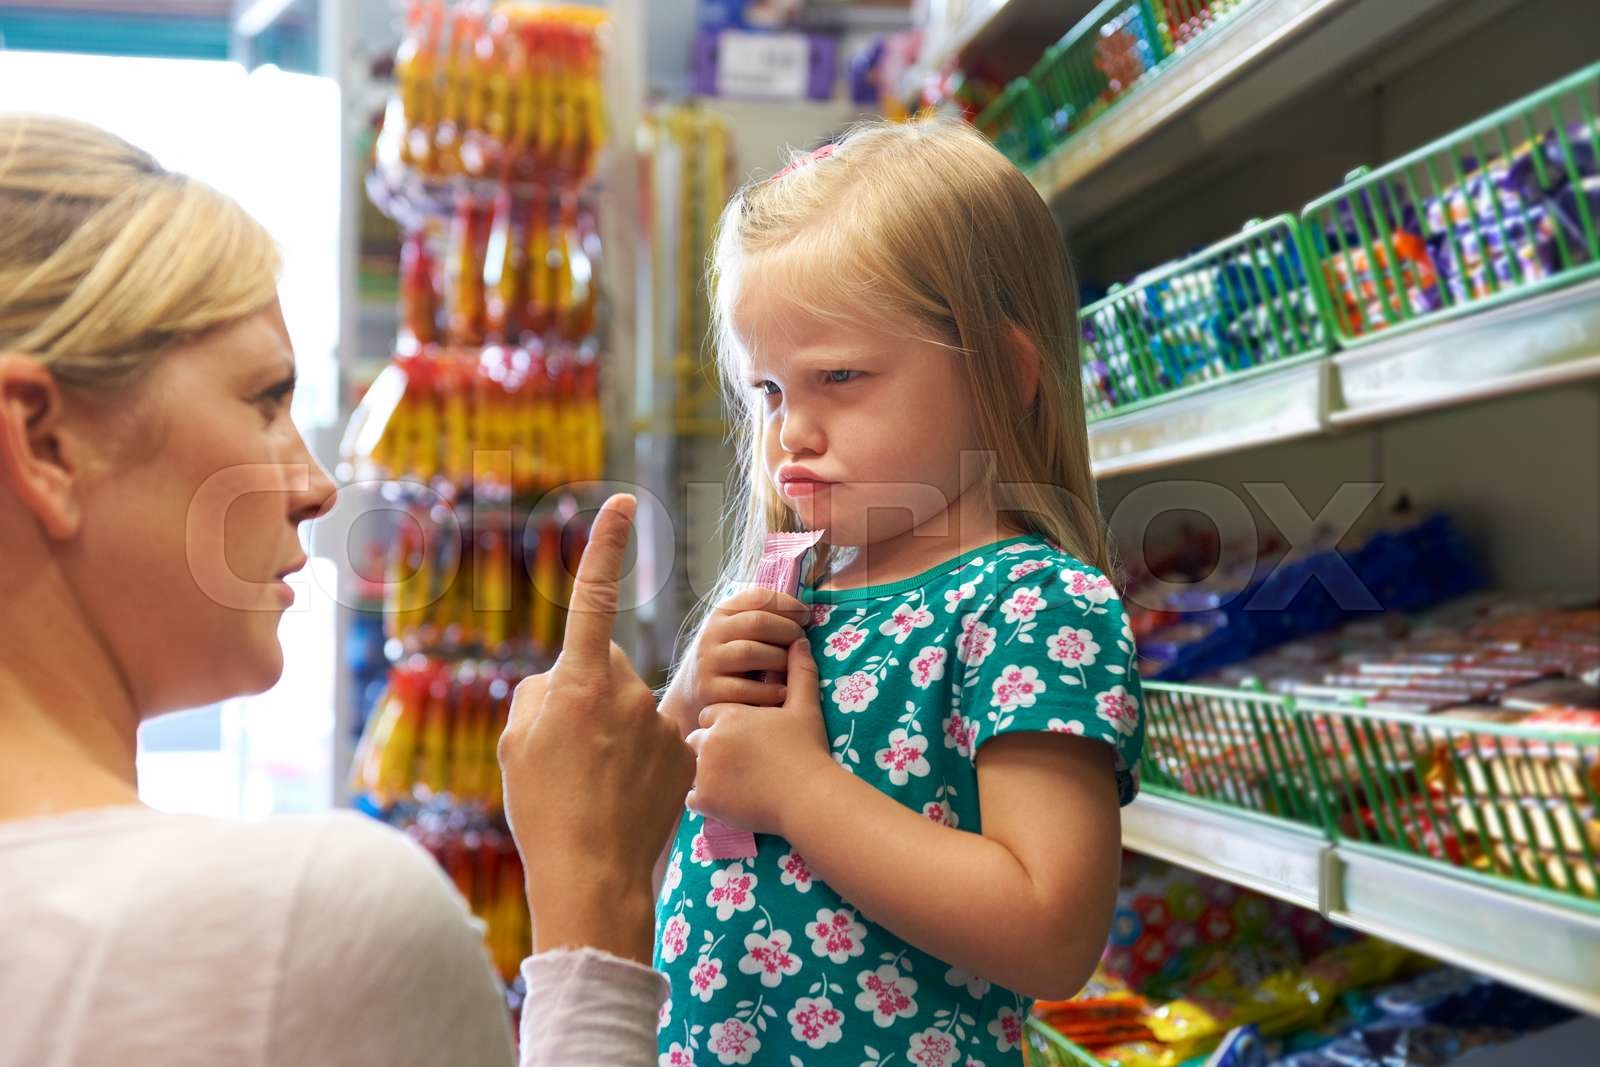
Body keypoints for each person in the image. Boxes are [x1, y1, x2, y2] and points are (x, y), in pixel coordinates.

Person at [0, 114, 688, 1066]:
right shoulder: (303, 919)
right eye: (264, 401)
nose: (318, 486)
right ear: (42, 441)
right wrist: (599, 899)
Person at [653, 118, 1145, 1065]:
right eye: (767, 390)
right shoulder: (796, 591)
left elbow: (1052, 929)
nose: (791, 430)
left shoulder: (1033, 605)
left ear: (1003, 373)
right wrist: (684, 703)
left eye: (839, 376)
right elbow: (650, 834)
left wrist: (800, 792)